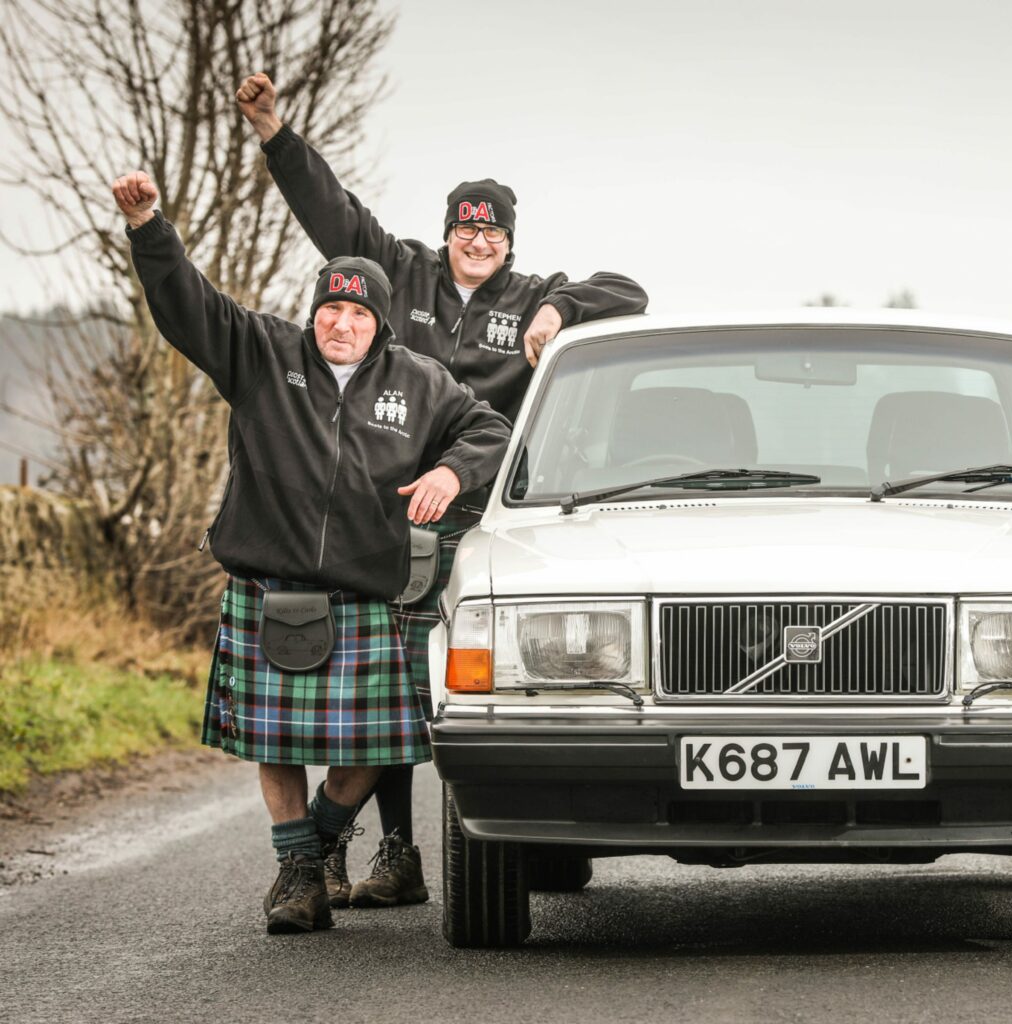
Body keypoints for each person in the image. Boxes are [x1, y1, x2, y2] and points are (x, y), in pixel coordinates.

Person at [235, 71, 649, 908]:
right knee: (392, 684)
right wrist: (274, 132)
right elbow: (330, 210)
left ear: (509, 240)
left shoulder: (532, 296)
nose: (477, 240)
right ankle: (392, 851)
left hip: (483, 513)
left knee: (442, 689)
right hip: (389, 519)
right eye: (466, 226)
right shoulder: (401, 274)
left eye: (491, 230)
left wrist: (562, 308)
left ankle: (363, 848)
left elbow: (631, 294)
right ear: (448, 231)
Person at [113, 170, 512, 934]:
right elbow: (185, 304)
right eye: (330, 308)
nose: (340, 322)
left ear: (380, 323)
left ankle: (318, 841)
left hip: (364, 592)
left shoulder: (420, 383)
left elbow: (489, 431)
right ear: (314, 313)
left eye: (357, 313)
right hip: (270, 587)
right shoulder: (262, 353)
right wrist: (148, 229)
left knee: (387, 741)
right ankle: (299, 874)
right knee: (278, 739)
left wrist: (447, 470)